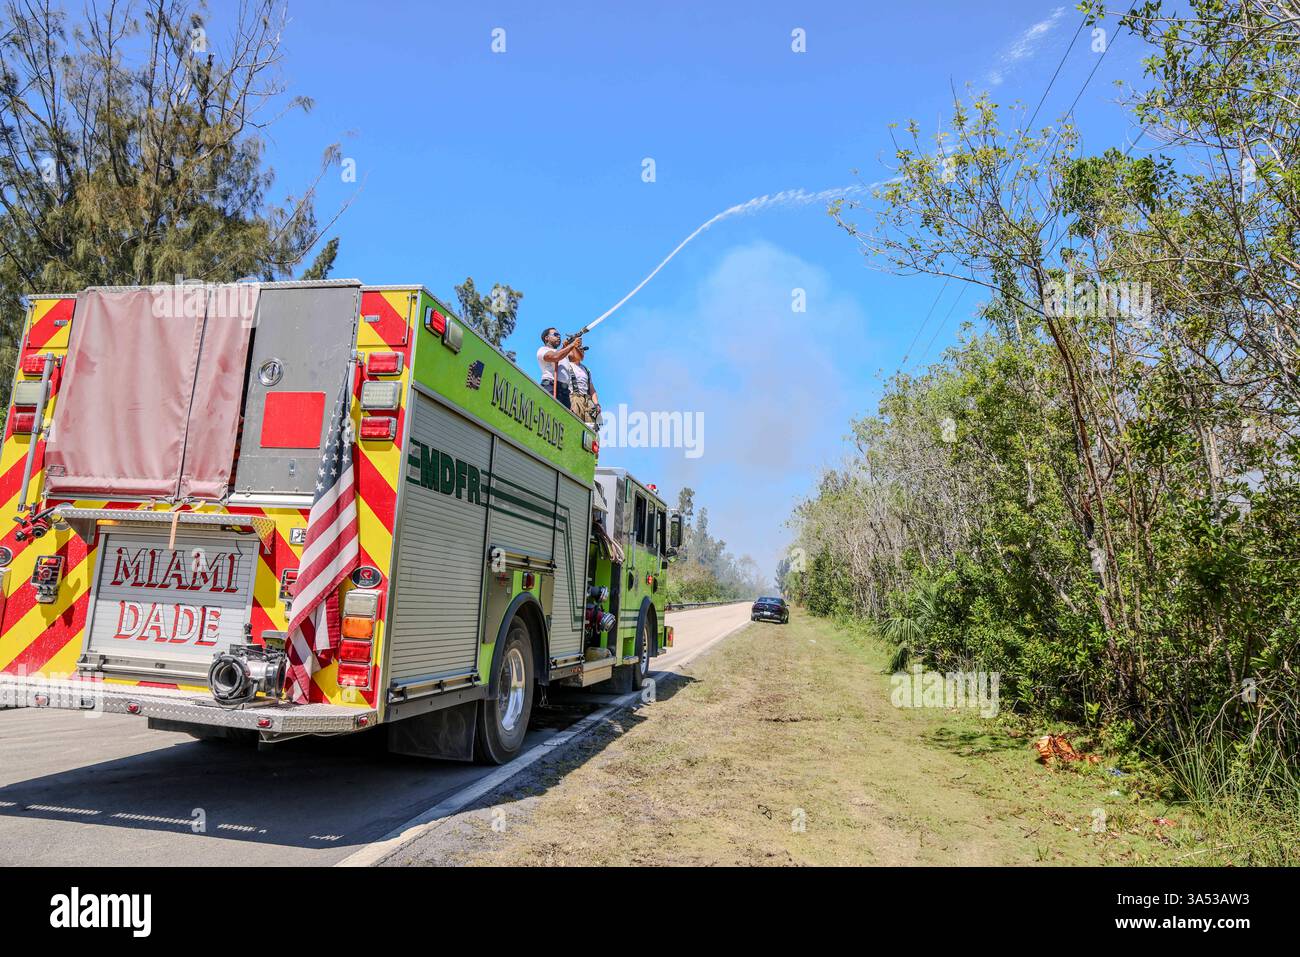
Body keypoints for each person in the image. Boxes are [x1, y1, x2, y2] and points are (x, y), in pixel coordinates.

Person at [536, 326, 580, 408]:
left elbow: (577, 358)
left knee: (564, 418)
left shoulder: (562, 352)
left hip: (564, 391)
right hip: (551, 386)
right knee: (550, 412)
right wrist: (570, 346)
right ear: (547, 338)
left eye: (559, 335)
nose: (559, 336)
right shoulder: (542, 350)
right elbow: (555, 357)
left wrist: (575, 345)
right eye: (555, 334)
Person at [564, 340, 600, 427]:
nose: (582, 352)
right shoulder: (566, 365)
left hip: (587, 400)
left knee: (591, 427)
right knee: (575, 425)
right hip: (574, 398)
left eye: (583, 350)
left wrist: (596, 404)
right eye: (579, 349)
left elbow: (591, 389)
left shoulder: (586, 369)